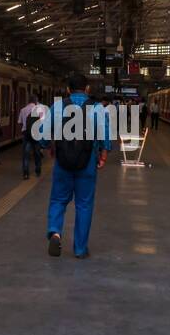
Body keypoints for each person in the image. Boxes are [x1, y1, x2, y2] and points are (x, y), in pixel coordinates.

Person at [46, 73, 112, 259]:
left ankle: (55, 232)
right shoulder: (97, 109)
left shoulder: (58, 106)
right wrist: (103, 156)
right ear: (87, 89)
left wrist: (50, 146)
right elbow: (105, 135)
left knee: (58, 200)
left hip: (62, 162)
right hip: (87, 162)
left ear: (68, 89)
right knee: (84, 204)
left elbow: (43, 135)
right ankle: (80, 249)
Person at [17, 92, 48, 179]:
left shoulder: (23, 110)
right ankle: (38, 170)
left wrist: (25, 129)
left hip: (26, 135)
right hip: (36, 134)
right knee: (37, 153)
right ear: (35, 101)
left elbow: (20, 122)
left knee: (26, 154)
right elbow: (43, 123)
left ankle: (26, 173)